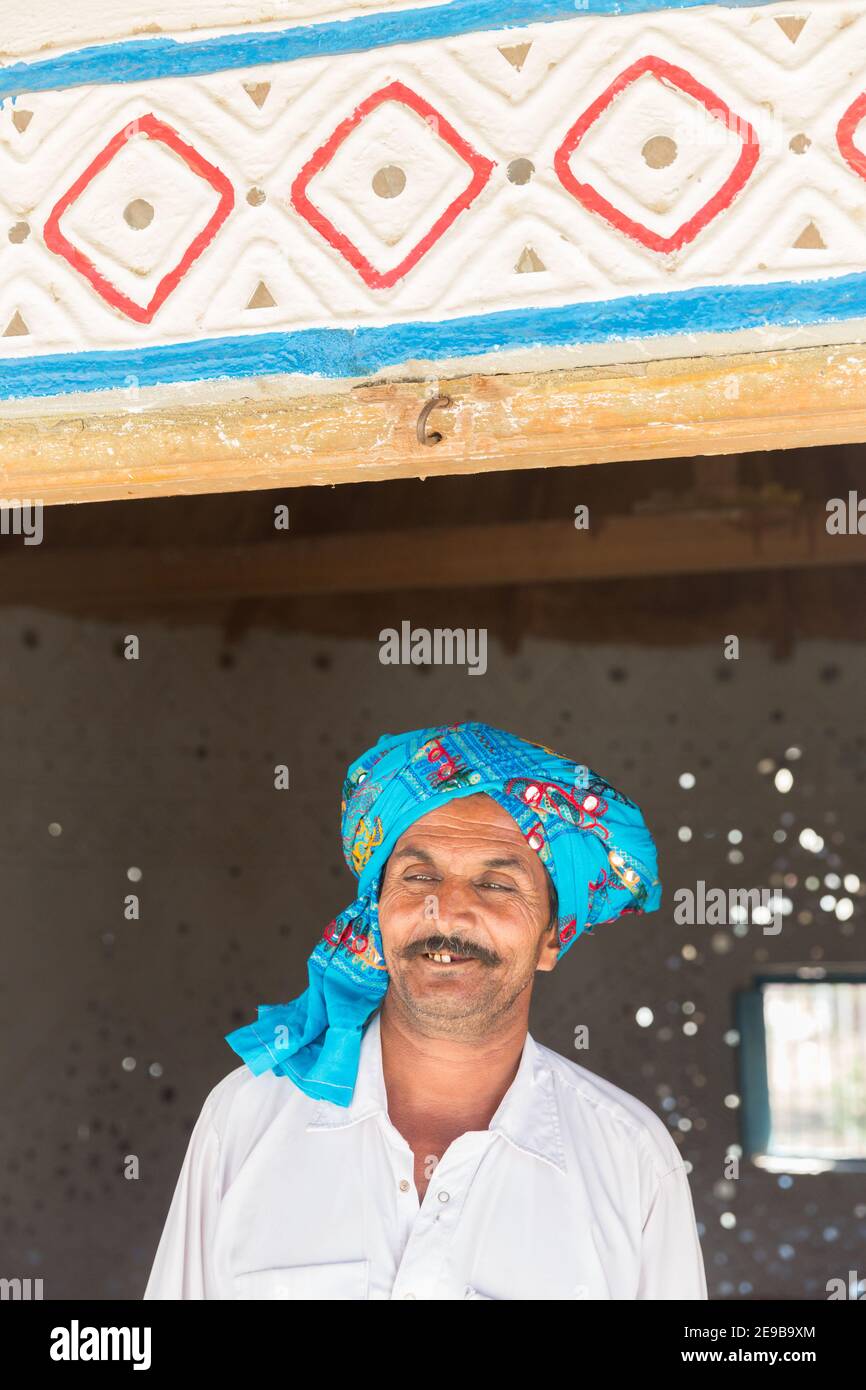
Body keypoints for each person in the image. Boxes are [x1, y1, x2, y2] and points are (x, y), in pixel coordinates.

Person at [144, 722, 707, 1300]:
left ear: (550, 940)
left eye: (496, 884)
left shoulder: (631, 1162)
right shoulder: (246, 1118)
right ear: (376, 912)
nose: (448, 913)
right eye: (420, 876)